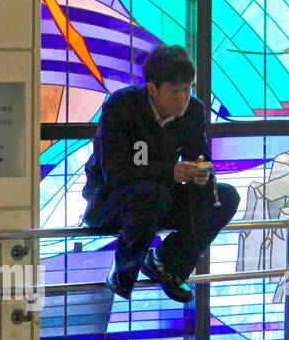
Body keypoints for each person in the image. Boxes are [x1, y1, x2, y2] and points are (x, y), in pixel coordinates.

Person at [83, 45, 241, 303]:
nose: (183, 98)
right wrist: (171, 172)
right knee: (152, 194)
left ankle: (167, 263)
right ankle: (123, 272)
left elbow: (199, 157)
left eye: (188, 88)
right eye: (175, 90)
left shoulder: (193, 111)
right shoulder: (121, 106)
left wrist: (202, 174)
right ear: (153, 88)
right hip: (112, 199)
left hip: (159, 197)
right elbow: (114, 172)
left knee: (226, 197)